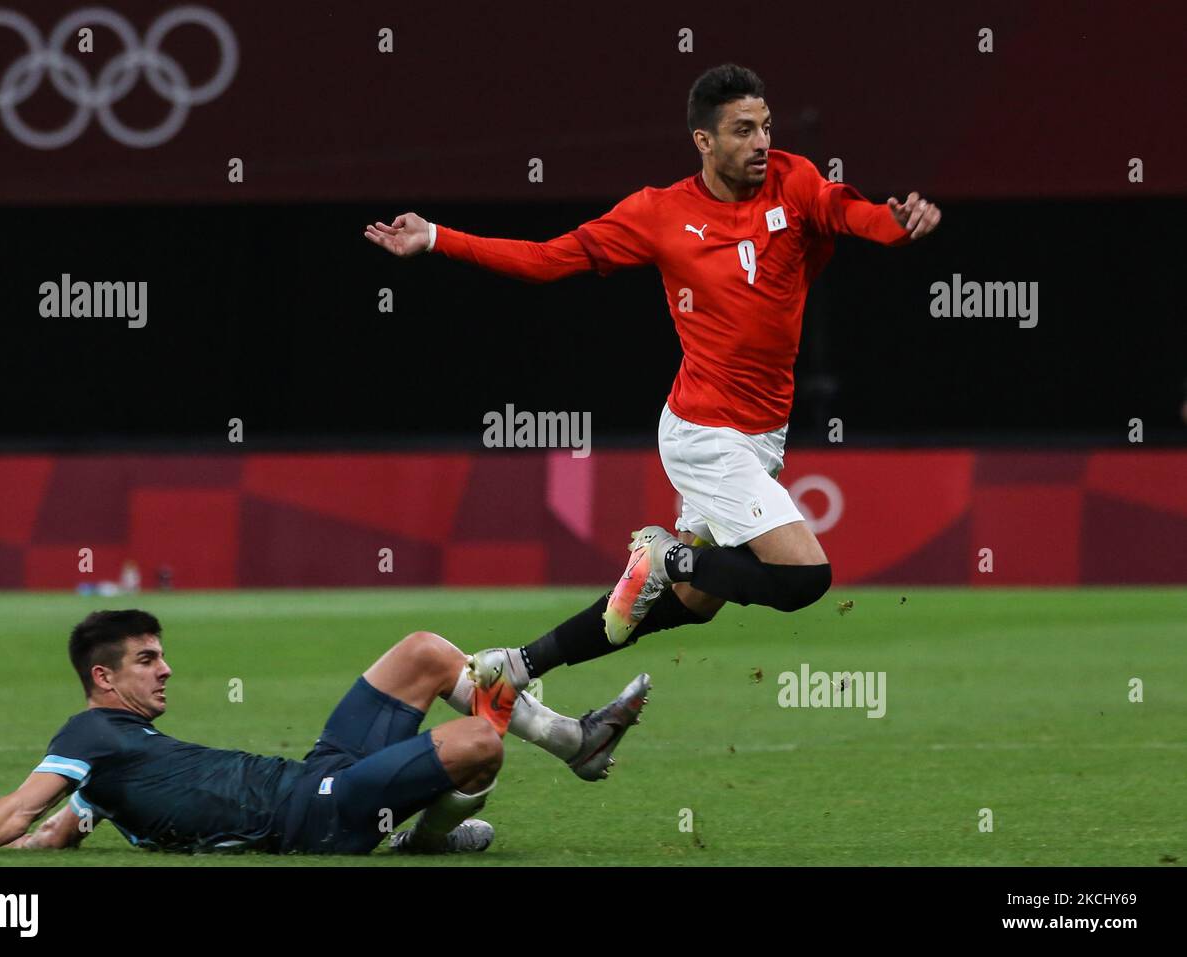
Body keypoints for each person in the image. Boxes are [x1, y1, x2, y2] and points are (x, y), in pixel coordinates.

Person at [364, 63, 941, 693]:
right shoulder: (659, 213)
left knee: (690, 599)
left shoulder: (791, 180)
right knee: (804, 579)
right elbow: (548, 259)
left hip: (760, 435)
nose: (760, 143)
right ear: (704, 141)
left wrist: (896, 225)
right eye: (743, 131)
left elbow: (848, 211)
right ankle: (663, 554)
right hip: (706, 434)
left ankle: (516, 667)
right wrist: (439, 238)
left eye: (766, 127)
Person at [0, 610, 648, 859]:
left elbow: (59, 825)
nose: (166, 670)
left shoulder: (114, 755)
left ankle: (574, 742)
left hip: (315, 773)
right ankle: (420, 844)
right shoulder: (88, 733)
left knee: (421, 649)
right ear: (102, 678)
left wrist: (52, 832)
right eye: (147, 660)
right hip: (311, 816)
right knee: (479, 744)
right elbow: (24, 808)